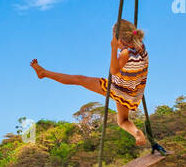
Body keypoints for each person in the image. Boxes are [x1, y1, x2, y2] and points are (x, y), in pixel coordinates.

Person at [30, 19, 164, 152]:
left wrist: (112, 49)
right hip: (134, 92)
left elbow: (113, 70)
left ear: (119, 40)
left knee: (79, 79)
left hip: (119, 90)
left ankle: (44, 73)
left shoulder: (125, 53)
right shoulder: (140, 46)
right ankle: (136, 133)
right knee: (122, 121)